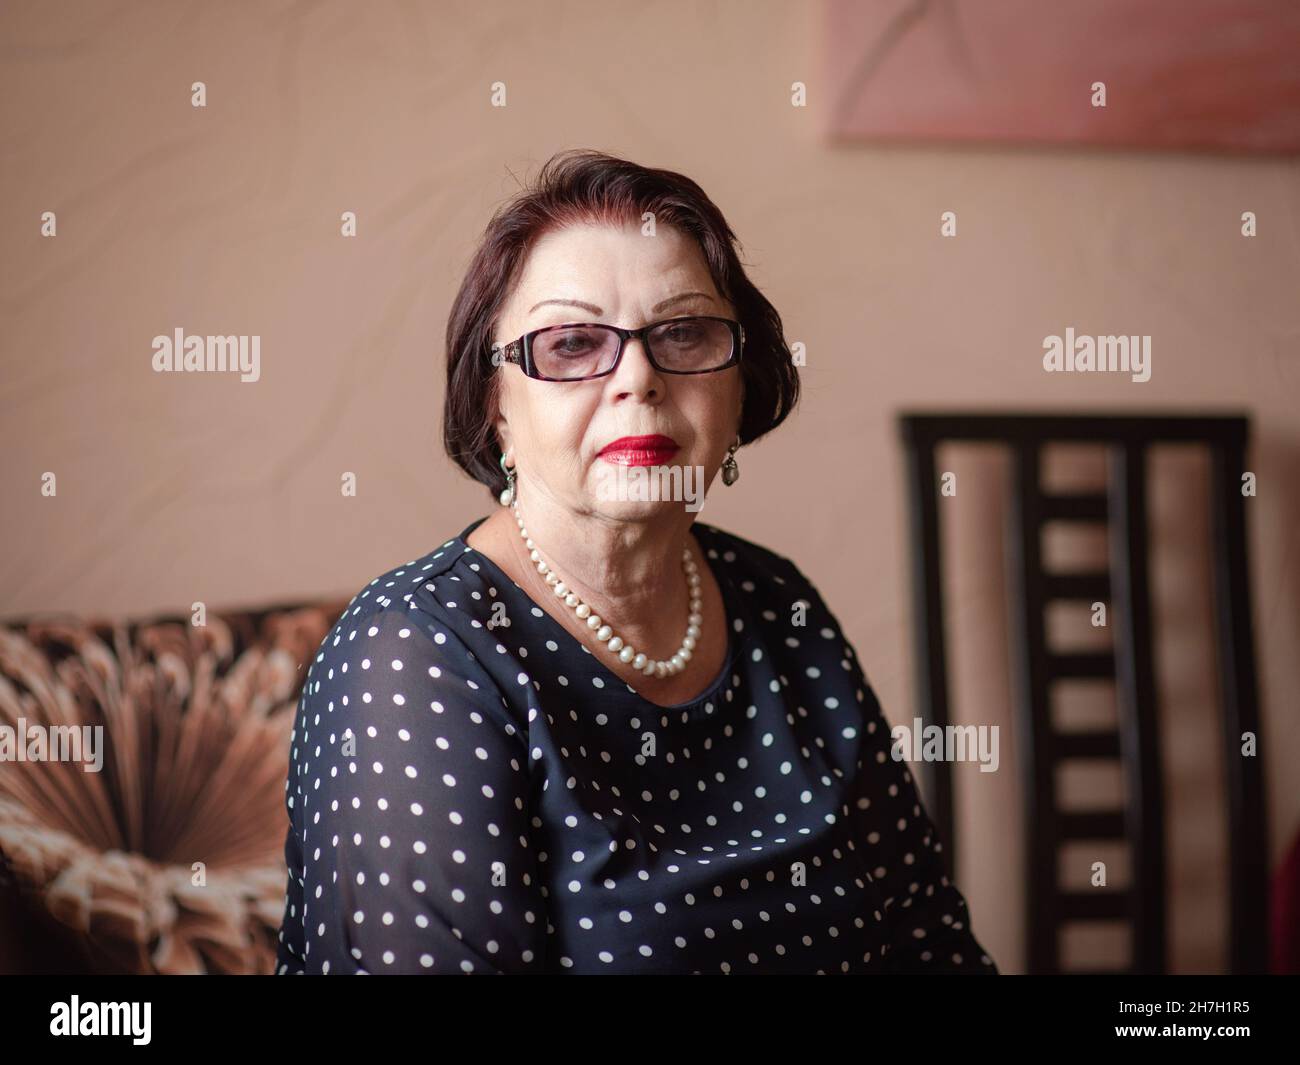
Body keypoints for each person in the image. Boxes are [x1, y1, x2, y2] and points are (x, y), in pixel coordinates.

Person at [274, 149, 997, 974]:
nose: (639, 378)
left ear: (739, 382)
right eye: (573, 343)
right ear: (493, 404)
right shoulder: (412, 656)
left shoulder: (776, 598)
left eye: (684, 332)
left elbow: (924, 936)